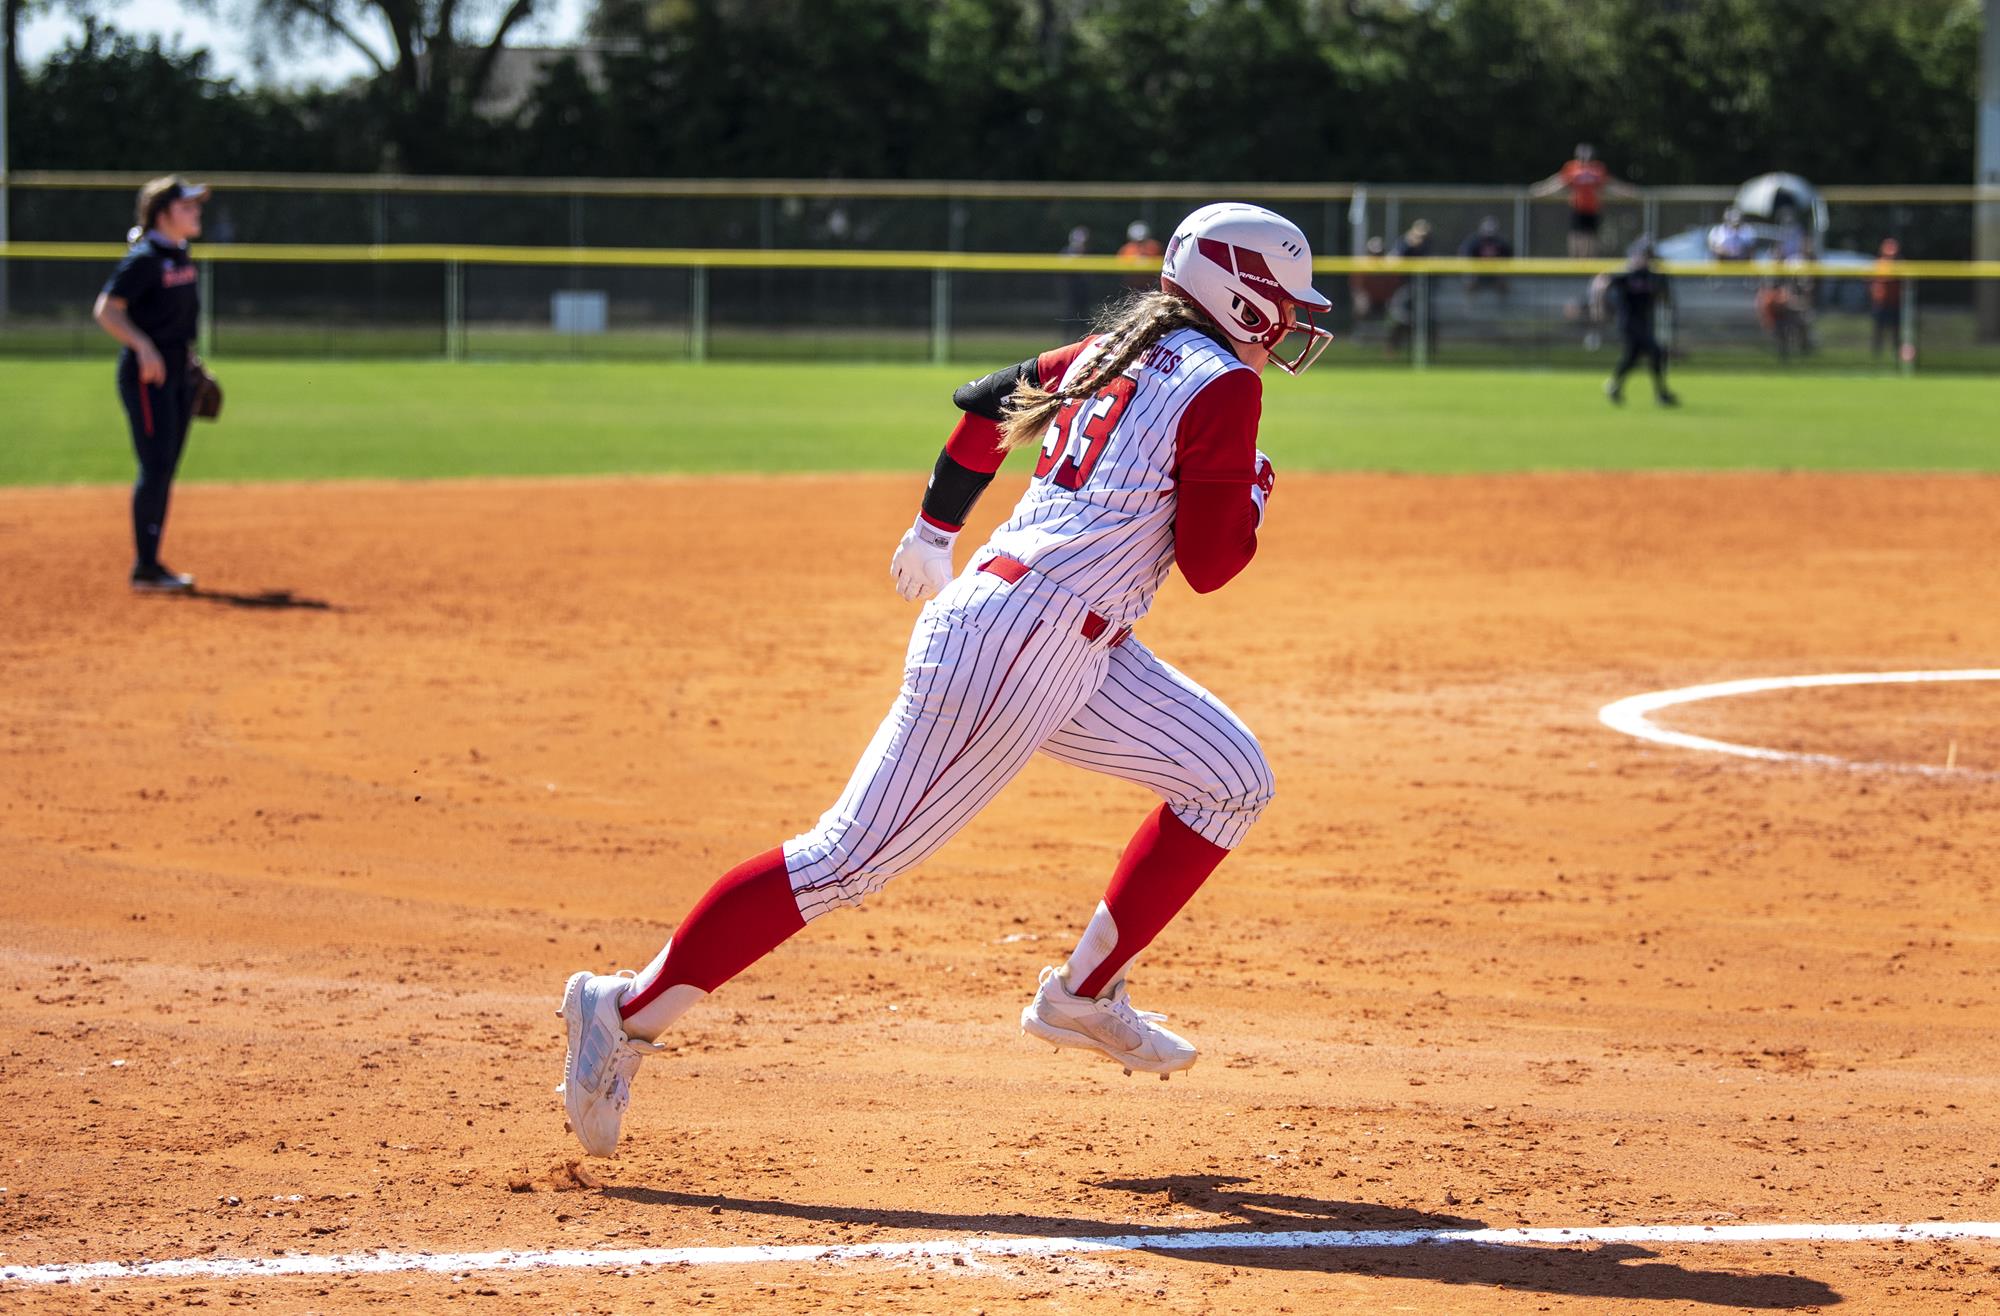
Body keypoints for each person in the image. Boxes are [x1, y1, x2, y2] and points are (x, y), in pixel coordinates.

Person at [556, 202, 1333, 1158]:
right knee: (847, 859)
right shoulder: (1220, 386)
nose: (1293, 318)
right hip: (1021, 644)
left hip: (1062, 637)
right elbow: (1214, 565)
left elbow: (987, 405)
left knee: (1229, 778)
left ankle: (1083, 994)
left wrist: (935, 528)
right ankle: (623, 1009)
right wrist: (1251, 489)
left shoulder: (1116, 345)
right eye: (1285, 298)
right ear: (1240, 290)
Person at [92, 175, 210, 593]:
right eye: (187, 206)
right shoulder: (144, 259)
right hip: (148, 376)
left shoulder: (180, 254)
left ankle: (151, 563)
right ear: (163, 213)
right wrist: (142, 346)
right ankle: (146, 567)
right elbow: (106, 310)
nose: (196, 212)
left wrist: (190, 359)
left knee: (166, 467)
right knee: (156, 465)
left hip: (177, 370)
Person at [1592, 237, 1678, 407]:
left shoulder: (1653, 276)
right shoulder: (1626, 274)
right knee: (1655, 352)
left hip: (1645, 322)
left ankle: (1614, 386)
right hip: (1628, 323)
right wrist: (1600, 307)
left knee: (1632, 358)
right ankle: (1661, 394)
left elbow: (1665, 297)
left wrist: (1664, 292)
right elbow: (1601, 282)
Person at [1530, 143, 1635, 258]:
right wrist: (1541, 190)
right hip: (1578, 208)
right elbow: (1558, 182)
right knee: (1576, 237)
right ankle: (1575, 264)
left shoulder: (1598, 169)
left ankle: (1588, 266)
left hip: (1592, 209)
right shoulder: (1572, 168)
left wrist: (1627, 191)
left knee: (1591, 238)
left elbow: (1610, 184)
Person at [1457, 215, 1513, 299]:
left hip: (1495, 272)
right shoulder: (1474, 241)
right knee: (1469, 282)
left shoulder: (1501, 242)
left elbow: (1509, 256)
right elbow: (1464, 254)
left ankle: (1503, 305)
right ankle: (1469, 305)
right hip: (1478, 272)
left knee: (1503, 281)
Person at [1869, 238, 1903, 360]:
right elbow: (1872, 284)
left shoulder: (1899, 265)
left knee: (1896, 332)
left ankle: (1898, 359)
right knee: (1879, 331)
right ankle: (1876, 357)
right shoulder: (1879, 264)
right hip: (1881, 304)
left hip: (1894, 304)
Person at [1059, 224, 1093, 326]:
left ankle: (1082, 334)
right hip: (1070, 287)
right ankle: (1067, 335)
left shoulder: (1087, 253)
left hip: (1083, 288)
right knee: (1069, 312)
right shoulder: (1066, 252)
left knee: (1083, 313)